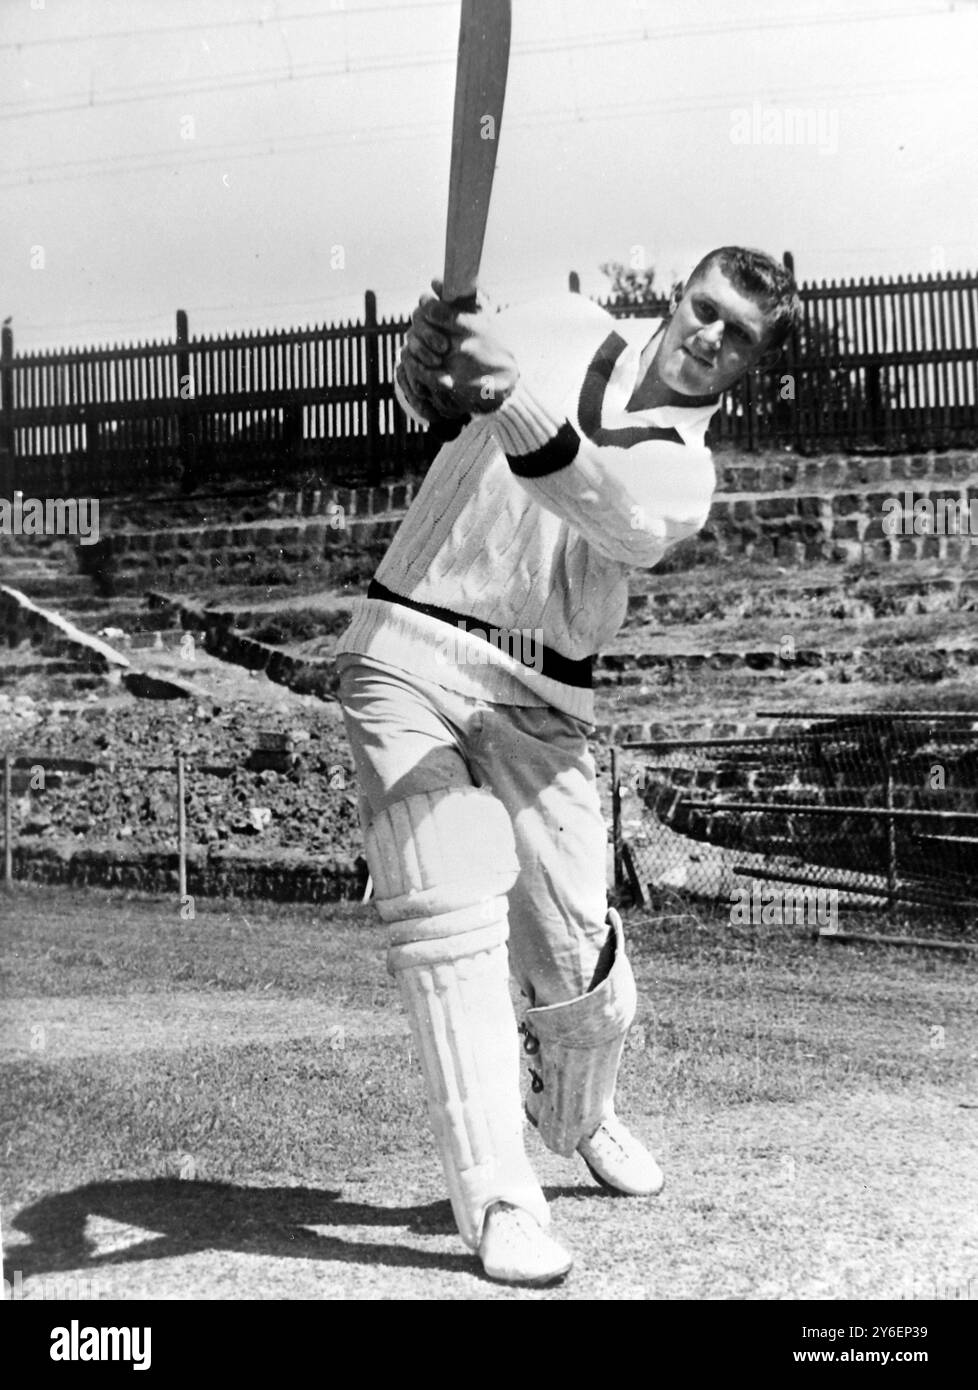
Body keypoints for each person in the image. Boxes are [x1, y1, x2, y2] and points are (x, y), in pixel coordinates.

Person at [334, 247, 800, 1285]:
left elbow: (609, 511)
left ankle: (580, 1114)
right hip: (405, 644)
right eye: (704, 308)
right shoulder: (552, 314)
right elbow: (437, 404)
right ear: (677, 297)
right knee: (447, 918)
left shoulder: (685, 473)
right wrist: (428, 365)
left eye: (738, 337)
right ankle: (500, 1199)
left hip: (542, 701)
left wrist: (508, 395)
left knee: (581, 968)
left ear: (748, 369)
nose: (710, 337)